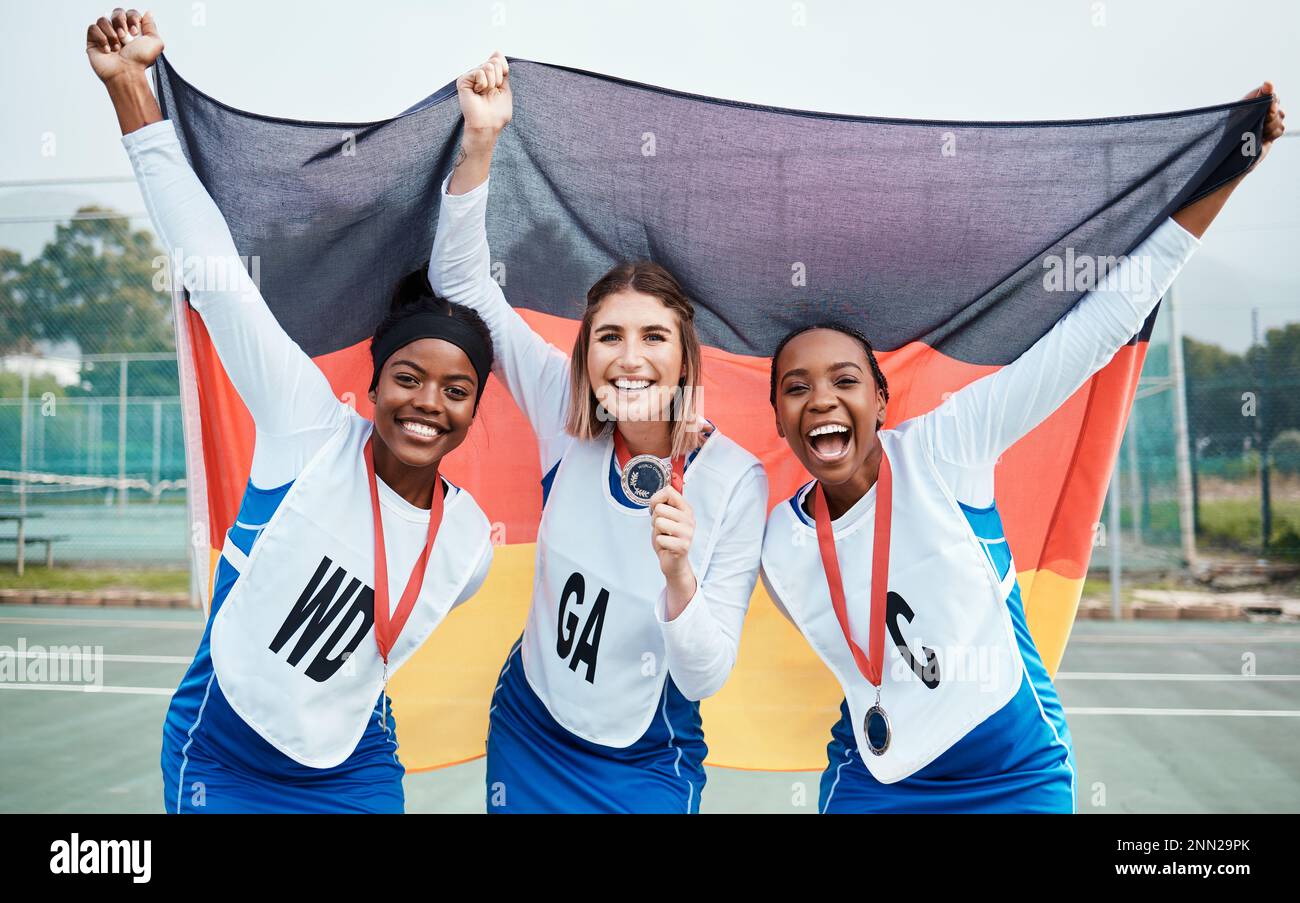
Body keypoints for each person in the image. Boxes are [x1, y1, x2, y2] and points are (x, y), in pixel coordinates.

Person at [760, 83, 1286, 813]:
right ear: (780, 418)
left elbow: (1097, 327)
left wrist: (1227, 170)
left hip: (1011, 777)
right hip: (874, 779)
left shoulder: (945, 448)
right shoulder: (778, 542)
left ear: (880, 400)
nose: (820, 398)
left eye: (843, 379)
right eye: (795, 387)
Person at [87, 8, 498, 813]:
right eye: (410, 378)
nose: (428, 404)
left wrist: (480, 146)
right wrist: (130, 89)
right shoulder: (308, 428)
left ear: (475, 408)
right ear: (374, 384)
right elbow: (215, 275)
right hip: (225, 751)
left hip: (353, 763)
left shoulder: (470, 543)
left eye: (456, 390)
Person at [430, 53, 769, 813]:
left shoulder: (732, 480)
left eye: (653, 336)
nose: (630, 355)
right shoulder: (562, 402)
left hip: (642, 759)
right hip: (531, 726)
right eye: (609, 335)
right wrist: (482, 140)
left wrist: (679, 573)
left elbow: (705, 676)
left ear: (684, 353)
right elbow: (463, 283)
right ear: (586, 351)